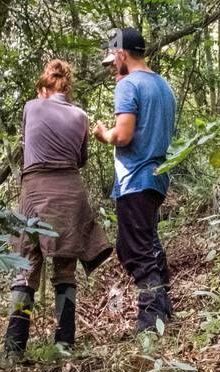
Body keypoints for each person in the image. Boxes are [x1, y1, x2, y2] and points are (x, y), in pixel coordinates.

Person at [5, 59, 113, 356]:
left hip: (35, 191)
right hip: (69, 191)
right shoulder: (81, 116)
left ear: (43, 88)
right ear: (68, 88)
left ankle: (14, 347)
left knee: (26, 267)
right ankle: (64, 342)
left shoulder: (31, 107)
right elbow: (81, 159)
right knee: (65, 269)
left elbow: (27, 146)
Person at [92, 27, 176, 334]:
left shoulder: (128, 86)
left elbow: (124, 135)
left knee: (134, 250)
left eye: (113, 60)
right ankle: (163, 311)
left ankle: (151, 323)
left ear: (122, 54)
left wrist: (104, 135)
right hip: (157, 177)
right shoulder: (163, 86)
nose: (112, 67)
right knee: (148, 242)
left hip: (135, 178)